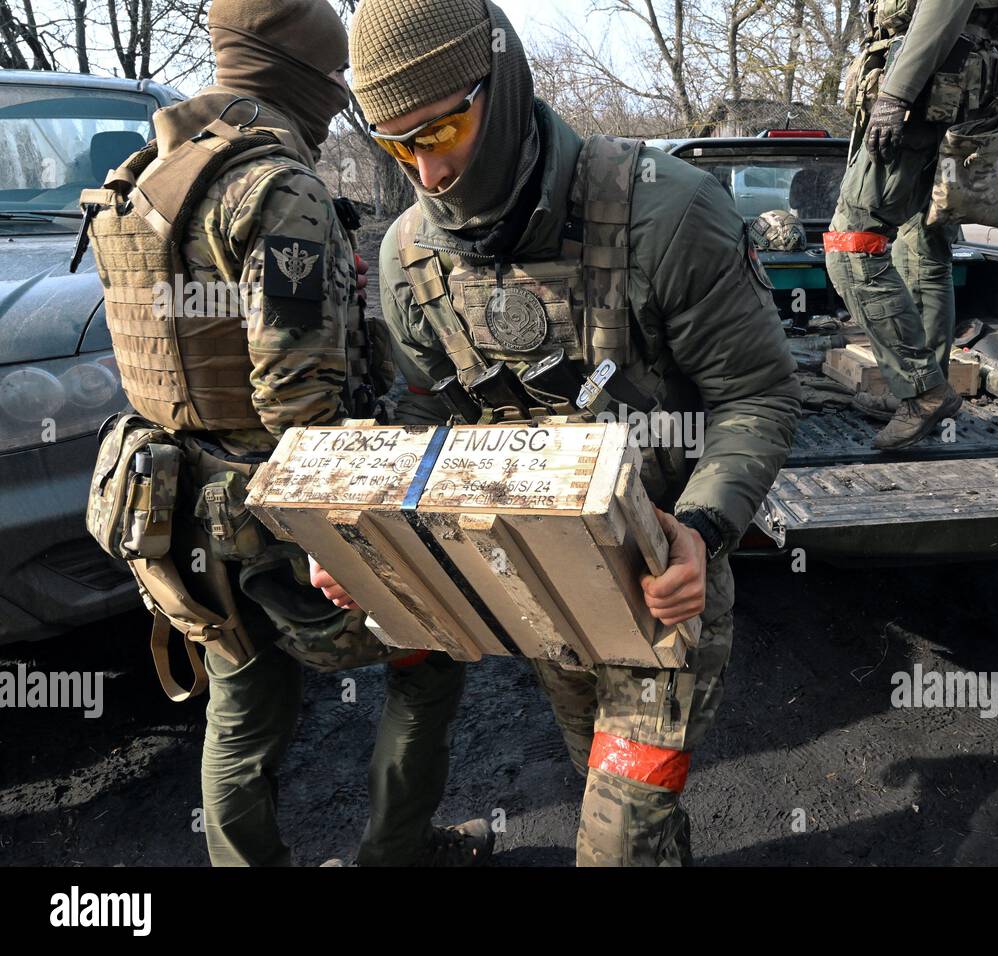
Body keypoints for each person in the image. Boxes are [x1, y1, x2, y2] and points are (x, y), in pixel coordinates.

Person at [315, 0, 801, 865]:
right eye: (398, 147)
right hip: (547, 592)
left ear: (498, 89)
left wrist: (706, 529)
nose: (426, 173)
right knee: (612, 790)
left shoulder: (668, 215)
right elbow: (428, 413)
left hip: (662, 591)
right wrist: (369, 542)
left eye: (442, 131)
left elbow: (755, 398)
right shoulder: (407, 257)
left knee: (615, 836)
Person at [83, 0, 491, 866]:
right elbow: (297, 397)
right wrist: (332, 532)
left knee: (241, 700)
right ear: (296, 70)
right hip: (277, 504)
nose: (340, 91)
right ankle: (398, 853)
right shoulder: (276, 184)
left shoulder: (146, 171)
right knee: (431, 655)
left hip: (173, 500)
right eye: (334, 73)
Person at [827, 0, 998, 449]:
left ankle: (922, 391)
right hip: (969, 90)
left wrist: (896, 93)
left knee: (852, 244)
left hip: (928, 90)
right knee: (924, 248)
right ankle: (925, 389)